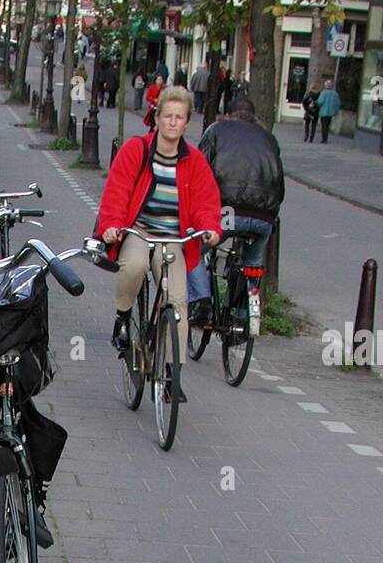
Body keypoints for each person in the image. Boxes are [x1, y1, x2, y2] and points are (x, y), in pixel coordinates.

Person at [96, 86, 222, 377]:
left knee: (177, 301)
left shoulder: (194, 160)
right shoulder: (136, 150)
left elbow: (207, 201)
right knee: (134, 266)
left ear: (187, 122)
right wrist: (112, 226)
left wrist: (209, 229)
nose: (173, 122)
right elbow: (117, 192)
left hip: (173, 237)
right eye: (167, 116)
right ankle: (123, 316)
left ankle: (170, 372)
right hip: (139, 230)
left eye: (179, 117)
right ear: (157, 118)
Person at [188, 96, 284, 327]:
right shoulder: (269, 138)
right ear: (253, 116)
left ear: (228, 115)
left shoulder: (217, 130)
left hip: (228, 211)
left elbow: (199, 170)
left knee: (192, 249)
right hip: (265, 216)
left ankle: (203, 302)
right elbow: (279, 181)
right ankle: (243, 313)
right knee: (252, 261)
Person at [316, 76, 341, 143]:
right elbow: (338, 103)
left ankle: (324, 139)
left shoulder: (323, 93)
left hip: (324, 111)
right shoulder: (335, 93)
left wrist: (316, 104)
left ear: (325, 86)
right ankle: (326, 138)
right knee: (328, 124)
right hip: (331, 112)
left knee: (324, 125)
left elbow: (320, 102)